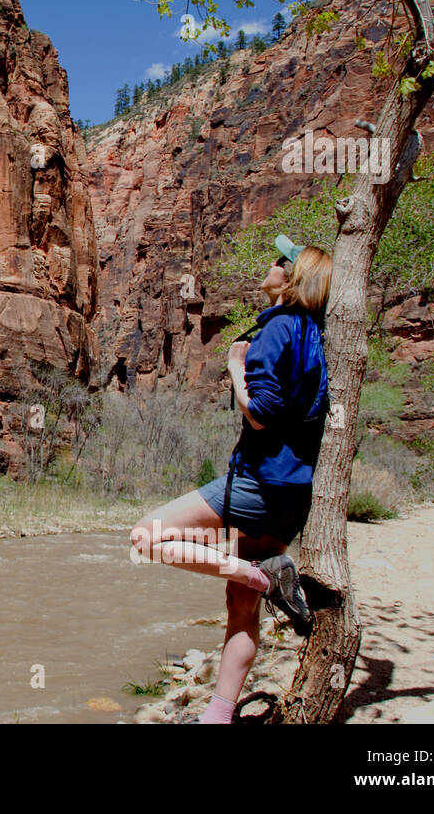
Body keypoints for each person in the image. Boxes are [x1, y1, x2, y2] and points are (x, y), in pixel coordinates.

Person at [129, 234, 331, 724]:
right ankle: (217, 718)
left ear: (292, 277)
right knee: (240, 610)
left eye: (279, 261)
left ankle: (261, 576)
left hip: (258, 483)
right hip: (293, 493)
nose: (269, 266)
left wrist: (236, 368)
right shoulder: (312, 331)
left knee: (145, 537)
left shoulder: (279, 327)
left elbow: (261, 414)